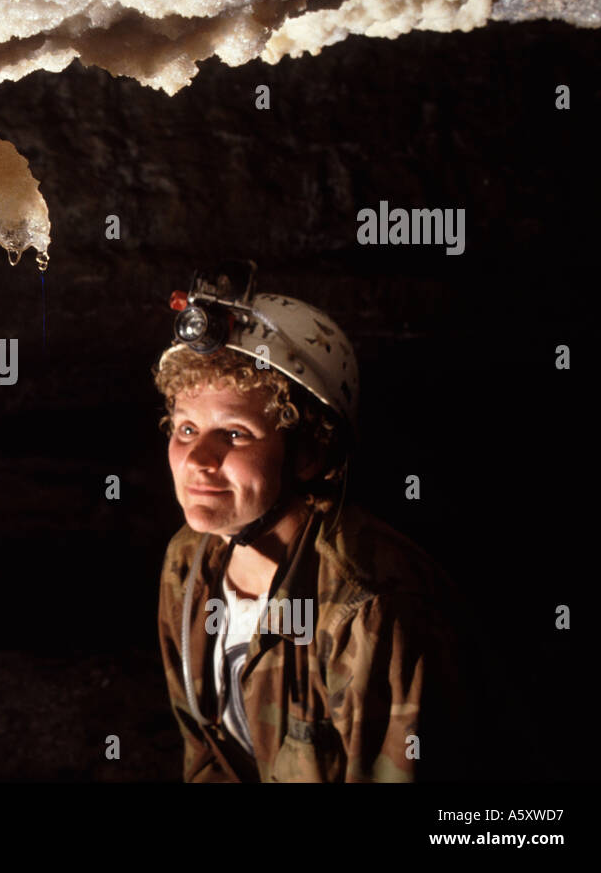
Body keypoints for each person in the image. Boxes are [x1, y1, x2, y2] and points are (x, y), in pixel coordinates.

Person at [153, 264, 467, 782]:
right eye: (186, 428)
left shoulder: (368, 609)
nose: (197, 460)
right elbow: (205, 754)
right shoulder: (187, 564)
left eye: (234, 434)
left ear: (308, 453)